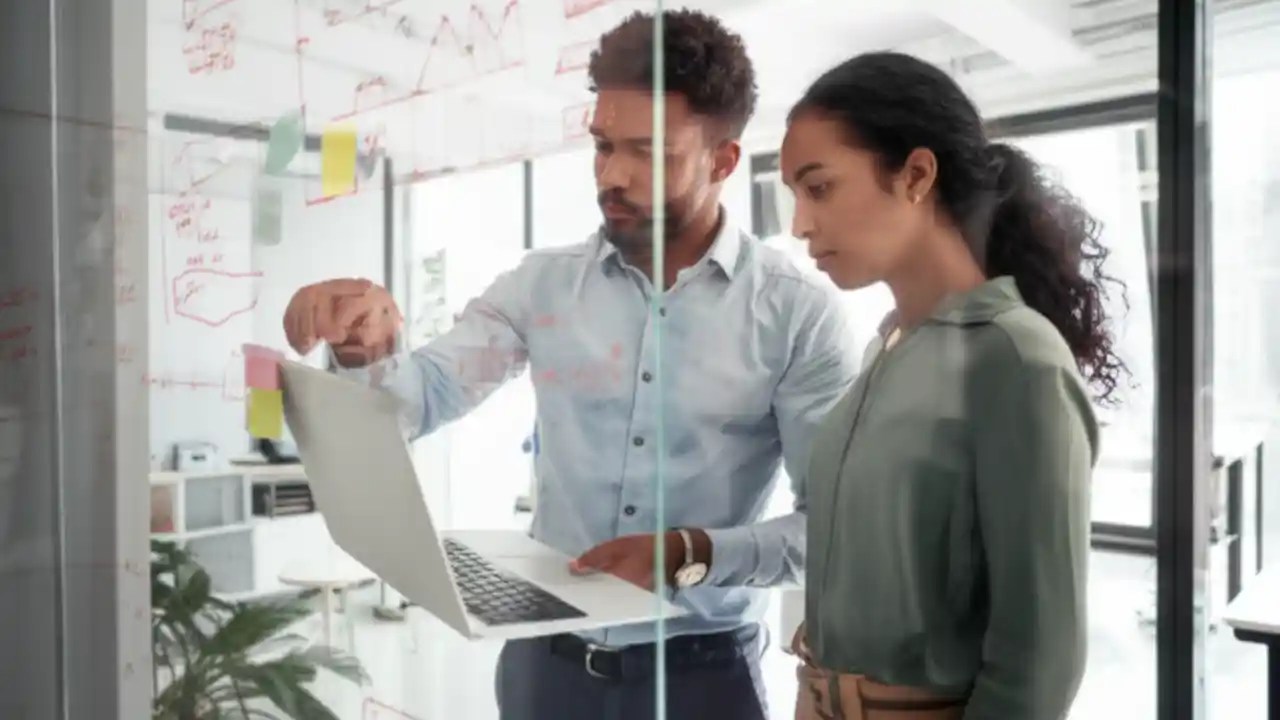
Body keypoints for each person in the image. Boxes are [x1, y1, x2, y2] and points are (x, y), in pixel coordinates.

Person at [282, 10, 859, 720]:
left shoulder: (796, 313)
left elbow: (833, 529)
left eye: (648, 153)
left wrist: (691, 550)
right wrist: (361, 350)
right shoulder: (542, 287)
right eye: (602, 145)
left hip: (703, 680)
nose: (612, 174)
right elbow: (420, 397)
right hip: (543, 669)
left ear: (723, 161)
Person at [779, 52, 1120, 719]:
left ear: (916, 174)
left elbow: (1038, 665)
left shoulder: (1014, 358)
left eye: (818, 188)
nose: (800, 225)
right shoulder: (885, 350)